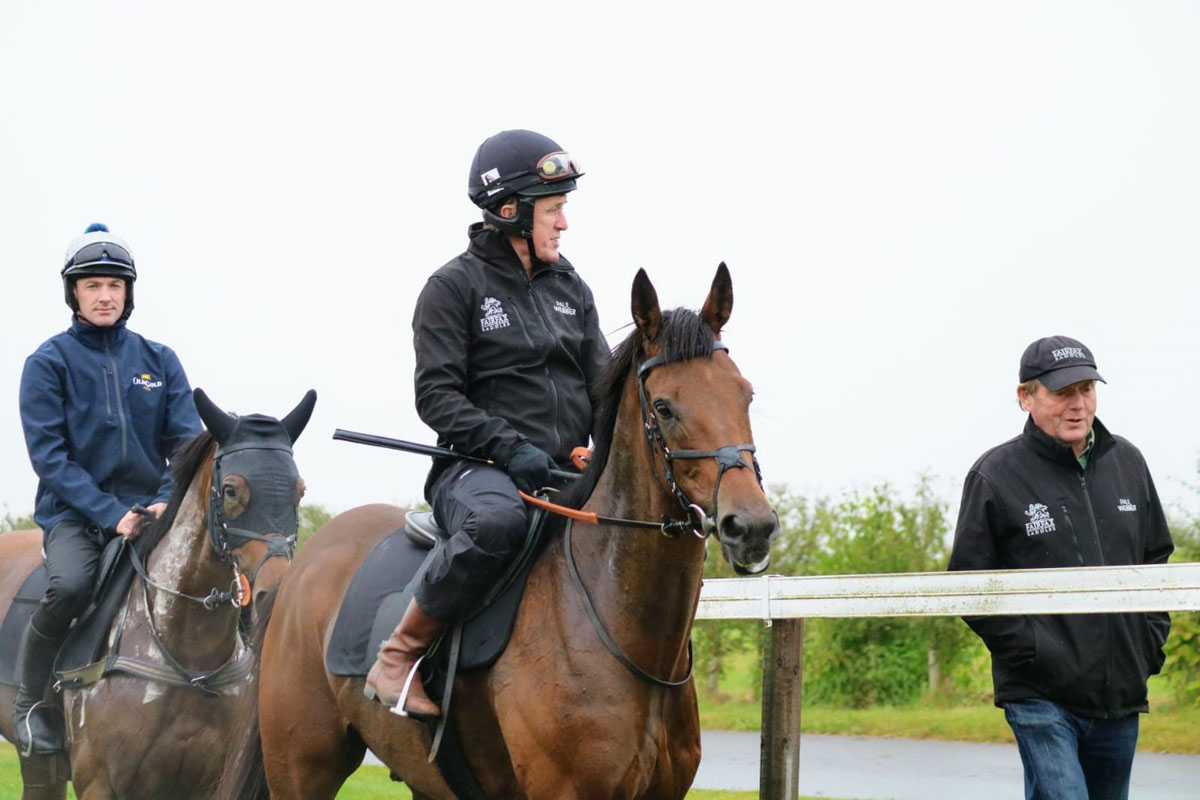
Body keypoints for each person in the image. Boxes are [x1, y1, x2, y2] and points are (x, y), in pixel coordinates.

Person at [365, 130, 609, 718]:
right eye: (553, 210)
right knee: (499, 523)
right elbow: (437, 397)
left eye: (563, 210)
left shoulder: (571, 287)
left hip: (558, 469)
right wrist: (510, 447)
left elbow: (602, 385)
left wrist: (606, 453)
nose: (564, 224)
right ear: (511, 211)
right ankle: (398, 654)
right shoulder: (453, 288)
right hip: (478, 472)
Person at [948, 335, 1174, 800]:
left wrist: (1147, 644)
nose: (1078, 405)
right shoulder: (995, 474)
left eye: (1086, 389)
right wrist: (1032, 652)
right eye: (1062, 393)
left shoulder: (1127, 462)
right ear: (1025, 397)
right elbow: (969, 585)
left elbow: (1157, 561)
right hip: (1040, 695)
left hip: (1120, 693)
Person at [14, 223, 203, 756]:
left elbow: (187, 441)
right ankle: (30, 702)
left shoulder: (159, 361)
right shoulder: (47, 363)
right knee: (71, 587)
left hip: (153, 512)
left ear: (129, 293)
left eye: (114, 286)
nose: (105, 296)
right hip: (75, 515)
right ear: (73, 293)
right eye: (93, 285)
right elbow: (50, 458)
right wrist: (109, 513)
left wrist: (167, 498)